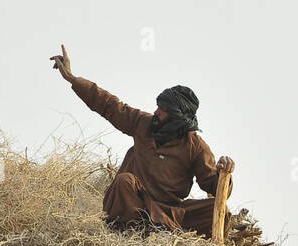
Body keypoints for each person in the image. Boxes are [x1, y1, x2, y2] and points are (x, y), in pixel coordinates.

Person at [50, 45, 234, 236]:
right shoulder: (143, 123)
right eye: (157, 107)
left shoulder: (196, 147)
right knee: (124, 182)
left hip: (169, 213)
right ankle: (139, 229)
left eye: (162, 110)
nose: (156, 112)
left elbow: (215, 188)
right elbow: (109, 105)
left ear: (176, 118)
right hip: (134, 202)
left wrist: (225, 173)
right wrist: (72, 78)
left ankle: (162, 230)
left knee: (220, 211)